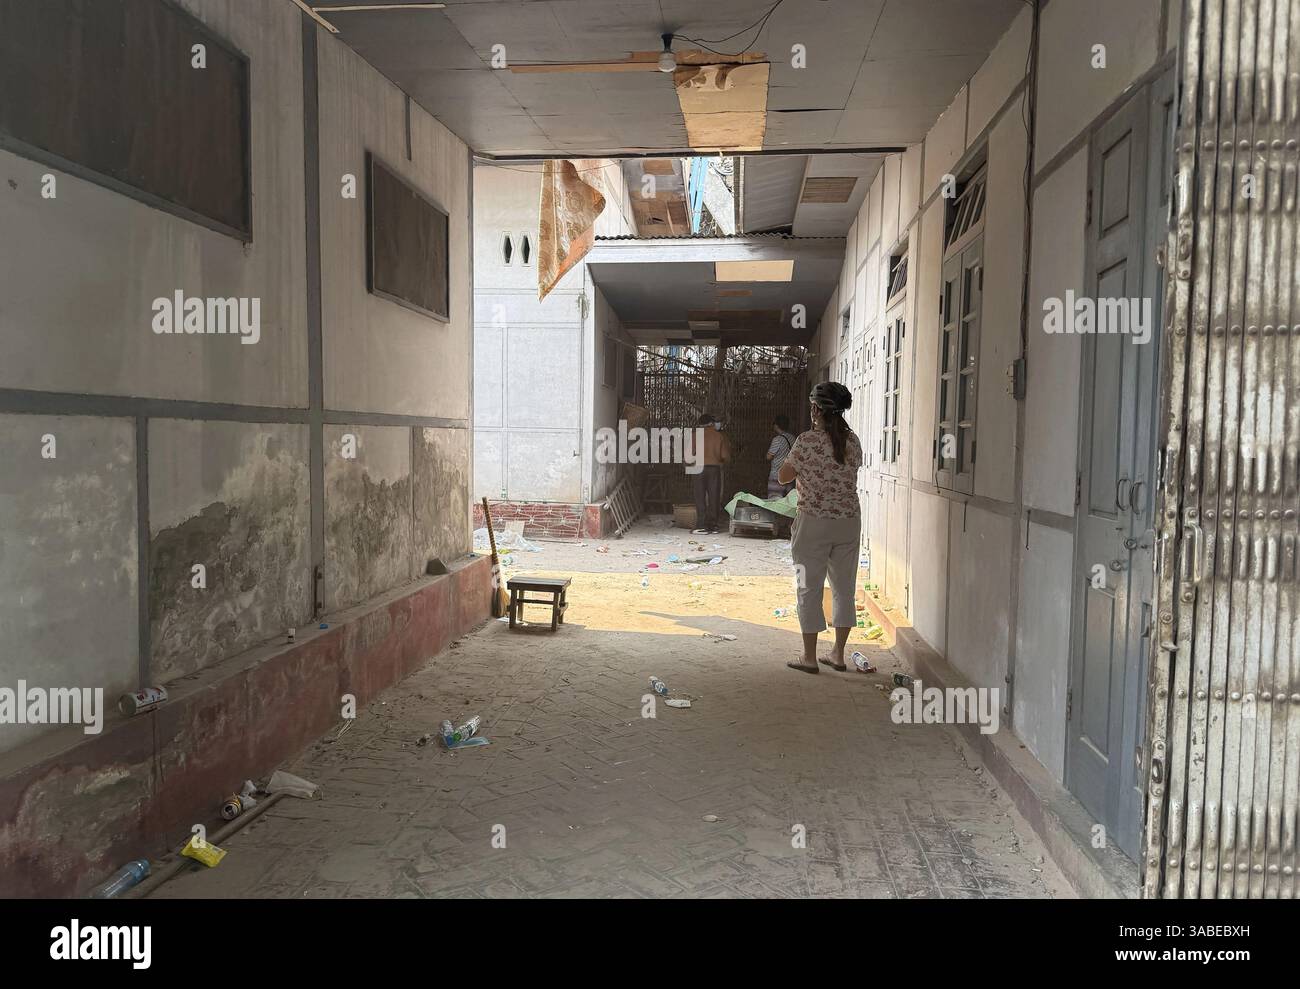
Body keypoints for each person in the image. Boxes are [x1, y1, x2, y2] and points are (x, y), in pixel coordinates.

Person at [777, 382, 862, 674]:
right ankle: (838, 654)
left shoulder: (806, 441)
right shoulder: (853, 442)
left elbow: (783, 476)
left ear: (815, 409)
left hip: (812, 522)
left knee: (808, 588)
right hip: (848, 522)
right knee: (844, 589)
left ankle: (810, 657)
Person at [691, 413, 731, 534]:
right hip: (714, 468)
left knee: (700, 496)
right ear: (711, 423)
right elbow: (725, 456)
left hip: (698, 468)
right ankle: (713, 525)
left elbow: (688, 457)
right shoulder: (719, 436)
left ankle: (701, 525)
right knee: (714, 496)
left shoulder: (695, 436)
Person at [765, 414, 797, 499]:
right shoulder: (793, 438)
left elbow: (769, 457)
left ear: (776, 425)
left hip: (777, 476)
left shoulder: (777, 440)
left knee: (775, 501)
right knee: (789, 501)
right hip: (790, 475)